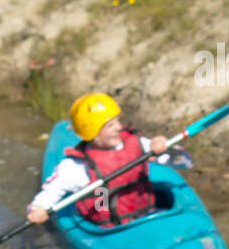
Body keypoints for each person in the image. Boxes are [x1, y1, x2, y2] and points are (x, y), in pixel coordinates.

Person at [27, 92, 180, 228]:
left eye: (117, 121)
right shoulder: (76, 166)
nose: (119, 127)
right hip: (111, 230)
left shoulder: (138, 144)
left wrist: (165, 147)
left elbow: (184, 162)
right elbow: (52, 190)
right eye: (110, 125)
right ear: (93, 133)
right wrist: (38, 208)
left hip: (149, 217)